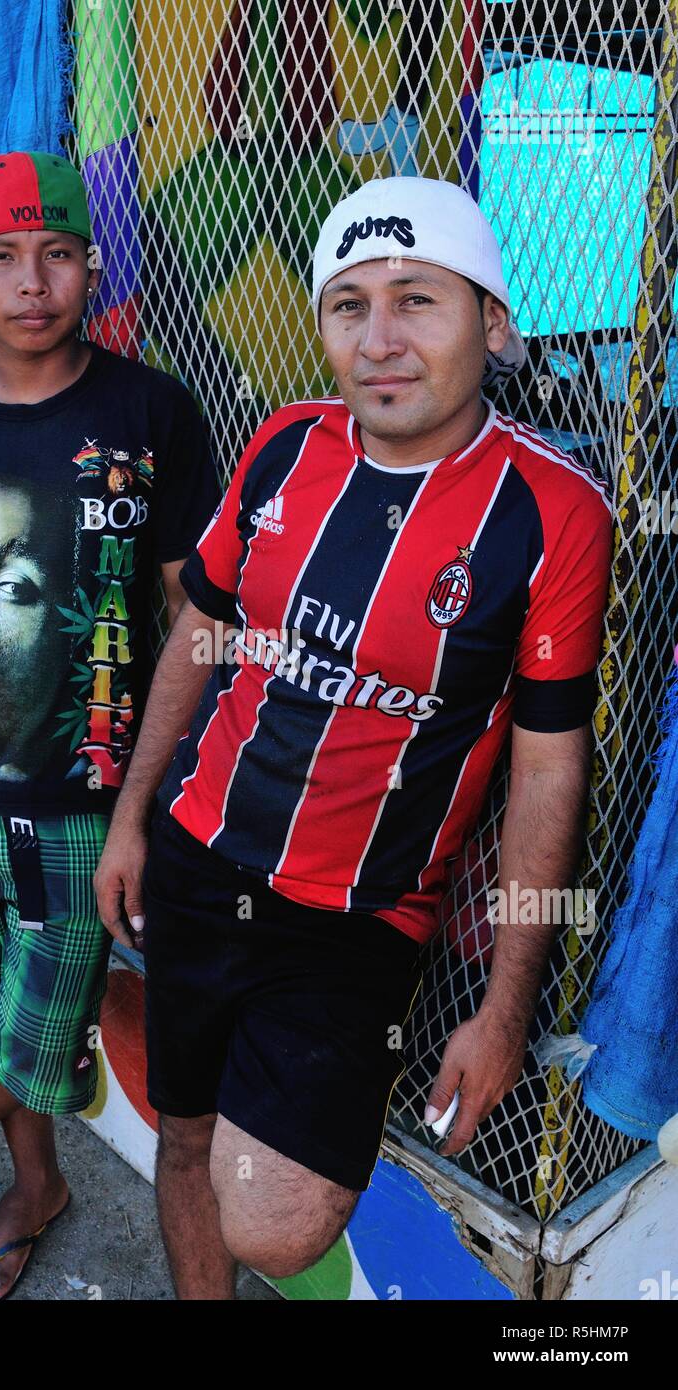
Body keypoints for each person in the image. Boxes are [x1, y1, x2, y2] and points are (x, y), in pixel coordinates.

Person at [95, 176, 613, 1297]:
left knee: (276, 1224)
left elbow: (545, 762)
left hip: (357, 915)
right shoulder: (283, 447)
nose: (378, 340)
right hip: (197, 854)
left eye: (415, 300)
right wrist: (131, 818)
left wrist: (502, 1008)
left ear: (492, 320)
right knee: (182, 1131)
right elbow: (202, 632)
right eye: (347, 304)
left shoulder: (552, 513)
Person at [0, 150, 220, 1299]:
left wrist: (156, 793)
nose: (33, 282)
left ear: (90, 267)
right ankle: (37, 1187)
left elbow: (192, 610)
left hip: (88, 808)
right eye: (3, 258)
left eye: (58, 254)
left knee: (36, 1023)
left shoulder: (152, 410)